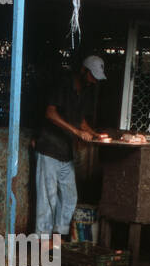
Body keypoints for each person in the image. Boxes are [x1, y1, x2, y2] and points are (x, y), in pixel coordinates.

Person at [36, 55, 104, 247]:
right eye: (92, 76)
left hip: (66, 151)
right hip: (49, 148)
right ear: (83, 71)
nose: (94, 80)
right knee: (47, 196)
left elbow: (81, 120)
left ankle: (58, 236)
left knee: (69, 195)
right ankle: (43, 238)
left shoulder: (85, 91)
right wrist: (76, 132)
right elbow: (50, 113)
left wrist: (95, 135)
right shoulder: (63, 85)